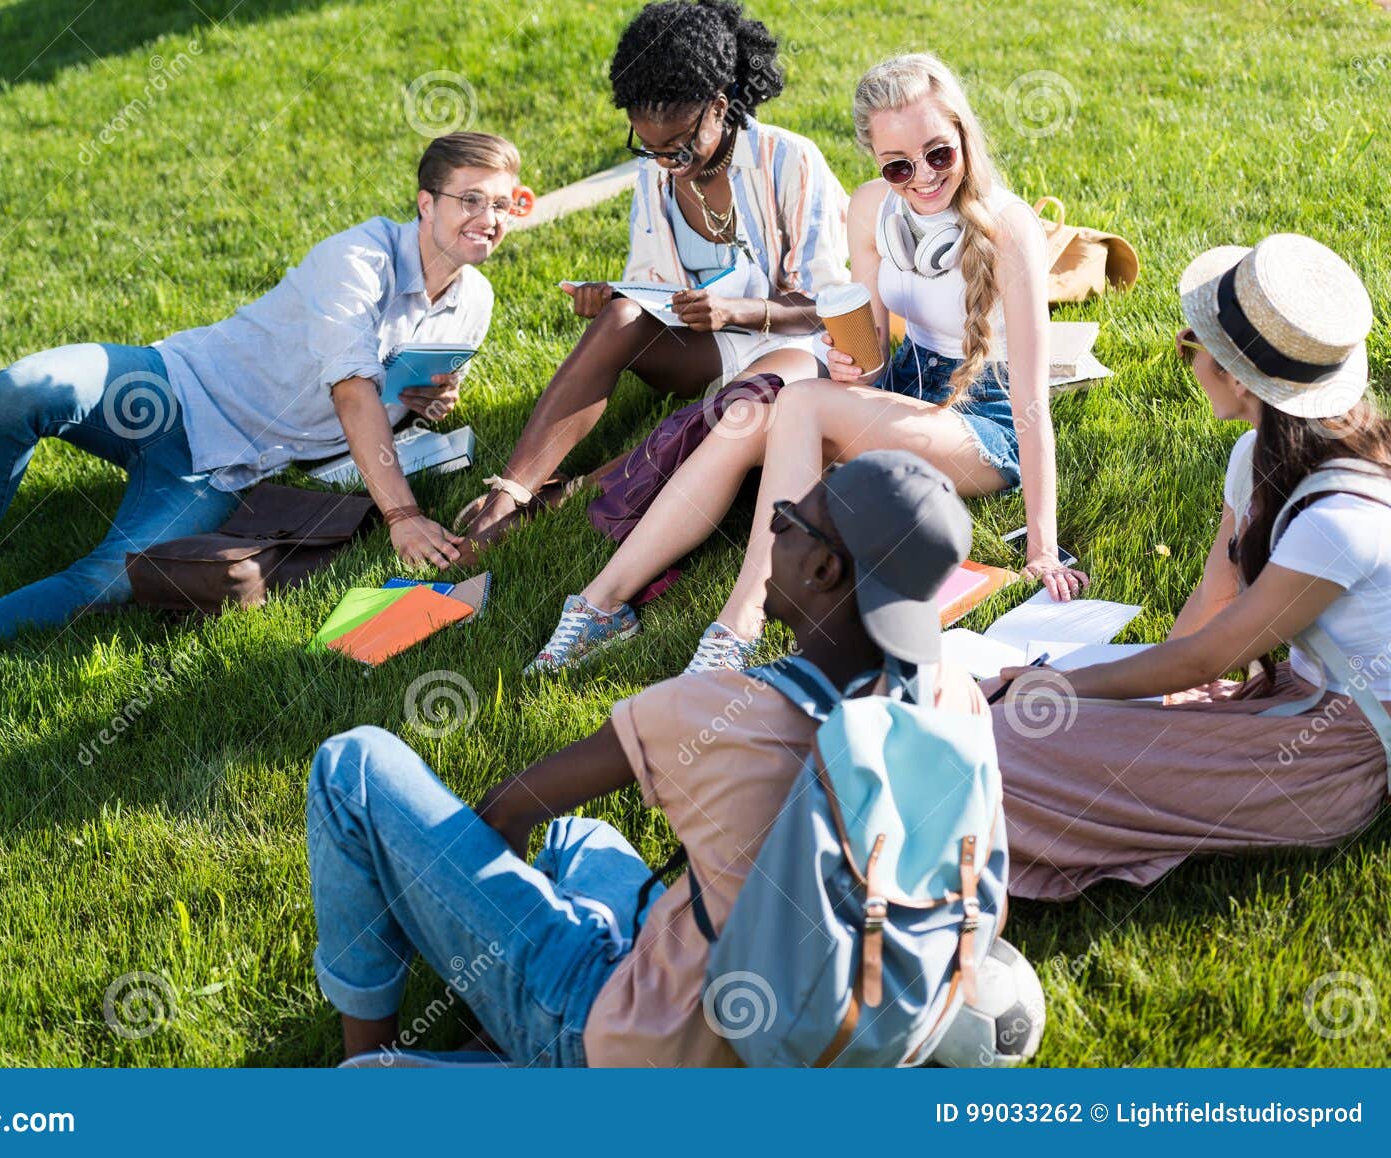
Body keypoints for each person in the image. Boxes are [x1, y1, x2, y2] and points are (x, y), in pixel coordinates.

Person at [0, 132, 521, 729]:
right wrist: (400, 512)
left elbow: (372, 402)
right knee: (24, 387)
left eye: (500, 204)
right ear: (424, 203)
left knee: (111, 577)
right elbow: (349, 388)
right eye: (469, 199)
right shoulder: (357, 259)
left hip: (222, 468)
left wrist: (421, 403)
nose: (486, 217)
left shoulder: (475, 301)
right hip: (171, 385)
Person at [305, 451, 991, 1066]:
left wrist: (478, 924)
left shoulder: (717, 713)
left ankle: (374, 1062)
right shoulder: (954, 702)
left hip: (623, 1043)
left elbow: (510, 809)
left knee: (354, 767)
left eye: (786, 517)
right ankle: (503, 1036)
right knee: (584, 839)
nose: (771, 528)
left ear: (823, 568)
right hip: (773, 1038)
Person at [527, 53, 1088, 677]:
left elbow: (1032, 401)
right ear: (876, 162)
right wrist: (856, 373)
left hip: (985, 421)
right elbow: (870, 353)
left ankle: (739, 622)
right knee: (746, 417)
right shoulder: (874, 206)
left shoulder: (1010, 230)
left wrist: (1042, 547)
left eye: (939, 154)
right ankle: (602, 602)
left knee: (799, 401)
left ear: (962, 134)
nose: (923, 178)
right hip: (905, 389)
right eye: (899, 165)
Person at [992, 233, 1391, 900]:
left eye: (1189, 344)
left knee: (1010, 751)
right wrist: (1150, 704)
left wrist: (1057, 691)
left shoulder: (1338, 524)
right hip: (1295, 699)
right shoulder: (1255, 457)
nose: (1185, 356)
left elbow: (1206, 661)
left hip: (1330, 757)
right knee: (1025, 712)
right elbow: (1214, 598)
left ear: (1235, 375)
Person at [456, 0, 847, 538]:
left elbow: (830, 307)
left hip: (796, 346)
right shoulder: (659, 172)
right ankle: (507, 498)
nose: (667, 160)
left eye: (680, 143)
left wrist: (740, 309)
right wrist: (617, 295)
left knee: (740, 405)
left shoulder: (790, 160)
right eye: (650, 146)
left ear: (718, 106)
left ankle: (575, 492)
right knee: (619, 318)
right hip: (710, 343)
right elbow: (653, 288)